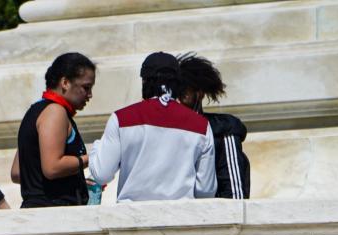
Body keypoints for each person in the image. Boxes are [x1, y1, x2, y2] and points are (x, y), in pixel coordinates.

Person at [88, 52, 216, 202]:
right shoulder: (201, 125)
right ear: (177, 84)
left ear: (144, 82)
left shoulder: (121, 118)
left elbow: (102, 174)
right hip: (181, 218)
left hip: (132, 217)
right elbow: (205, 191)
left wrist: (97, 147)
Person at [13, 52, 96, 208]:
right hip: (54, 214)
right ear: (65, 82)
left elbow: (17, 172)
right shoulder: (55, 112)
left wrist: (72, 181)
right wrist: (92, 158)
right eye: (86, 87)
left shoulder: (34, 111)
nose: (90, 95)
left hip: (36, 212)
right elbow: (52, 167)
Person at [176, 53, 250, 199]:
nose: (180, 94)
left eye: (186, 89)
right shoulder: (166, 128)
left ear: (200, 93)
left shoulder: (222, 130)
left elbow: (235, 194)